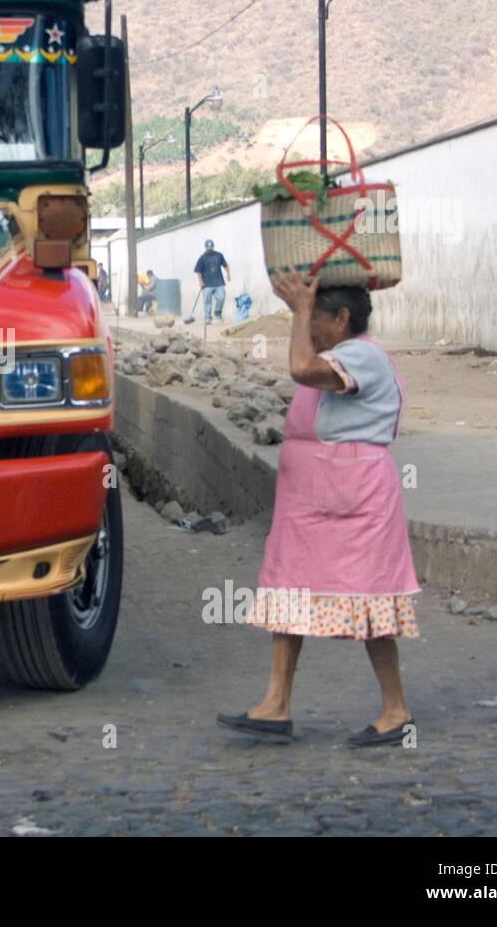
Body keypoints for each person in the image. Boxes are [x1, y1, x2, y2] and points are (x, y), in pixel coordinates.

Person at [218, 275, 418, 747]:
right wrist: (304, 310)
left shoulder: (361, 355)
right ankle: (275, 704)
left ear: (342, 318)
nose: (311, 331)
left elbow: (302, 371)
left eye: (318, 321)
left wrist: (299, 309)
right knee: (288, 591)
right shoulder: (339, 355)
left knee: (369, 600)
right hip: (310, 499)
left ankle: (396, 709)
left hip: (356, 499)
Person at [193, 240, 230, 323]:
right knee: (207, 301)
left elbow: (226, 265)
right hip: (207, 284)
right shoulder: (202, 258)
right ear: (205, 248)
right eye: (208, 248)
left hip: (219, 282)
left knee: (221, 298)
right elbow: (198, 271)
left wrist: (228, 274)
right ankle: (208, 318)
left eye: (211, 248)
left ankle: (217, 312)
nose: (209, 249)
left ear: (213, 247)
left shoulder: (219, 255)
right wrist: (200, 282)